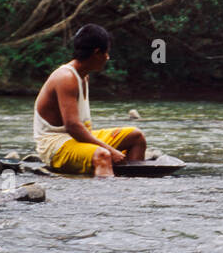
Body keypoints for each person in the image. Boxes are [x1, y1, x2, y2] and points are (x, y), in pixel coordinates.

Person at [32, 24, 146, 176]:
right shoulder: (66, 78)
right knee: (103, 155)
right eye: (106, 52)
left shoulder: (83, 75)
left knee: (136, 136)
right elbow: (73, 126)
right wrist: (111, 150)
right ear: (97, 52)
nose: (108, 57)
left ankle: (131, 185)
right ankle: (107, 195)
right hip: (55, 145)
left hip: (76, 139)